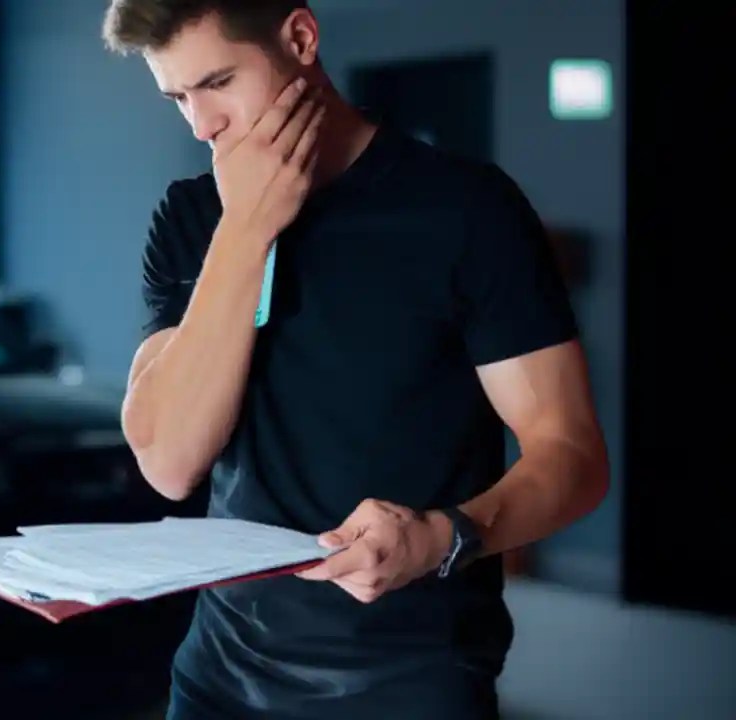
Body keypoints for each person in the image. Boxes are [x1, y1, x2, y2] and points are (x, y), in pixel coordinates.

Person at [102, 2, 611, 718]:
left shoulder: (465, 211)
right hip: (220, 676)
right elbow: (168, 462)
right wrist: (246, 229)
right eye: (178, 96)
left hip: (407, 681)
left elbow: (573, 455)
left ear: (301, 38)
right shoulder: (192, 216)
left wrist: (443, 535)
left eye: (217, 81)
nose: (200, 123)